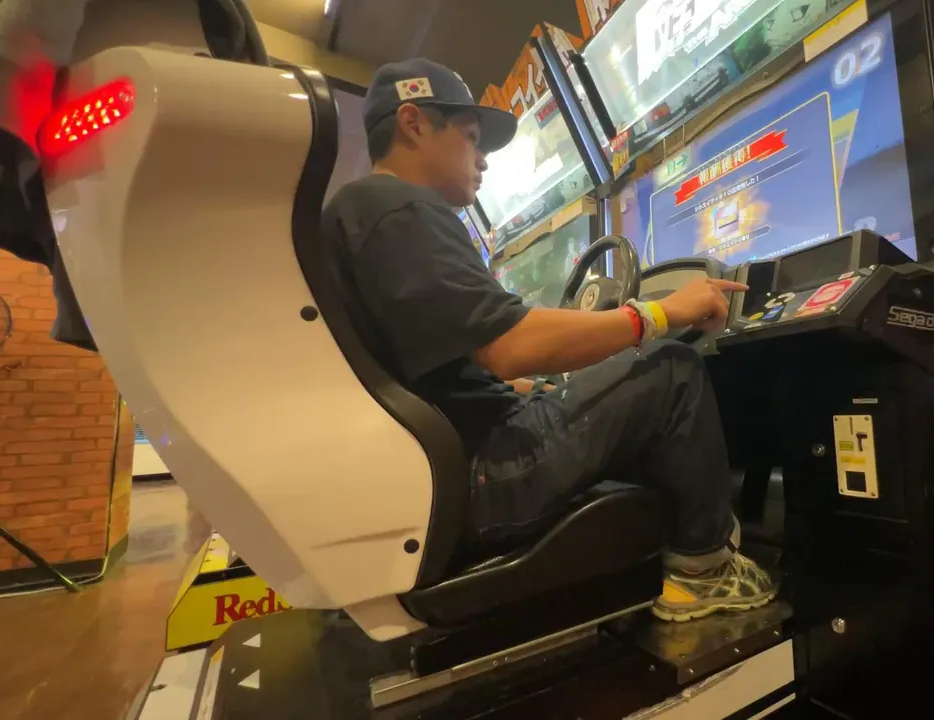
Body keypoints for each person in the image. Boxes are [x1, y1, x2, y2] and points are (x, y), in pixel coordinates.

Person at [321, 58, 776, 622]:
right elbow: (510, 344)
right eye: (470, 138)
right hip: (480, 475)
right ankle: (705, 572)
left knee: (586, 391)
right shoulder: (398, 208)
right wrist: (658, 313)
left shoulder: (358, 214)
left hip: (441, 473)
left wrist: (528, 385)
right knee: (672, 370)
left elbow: (442, 369)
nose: (483, 159)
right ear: (413, 123)